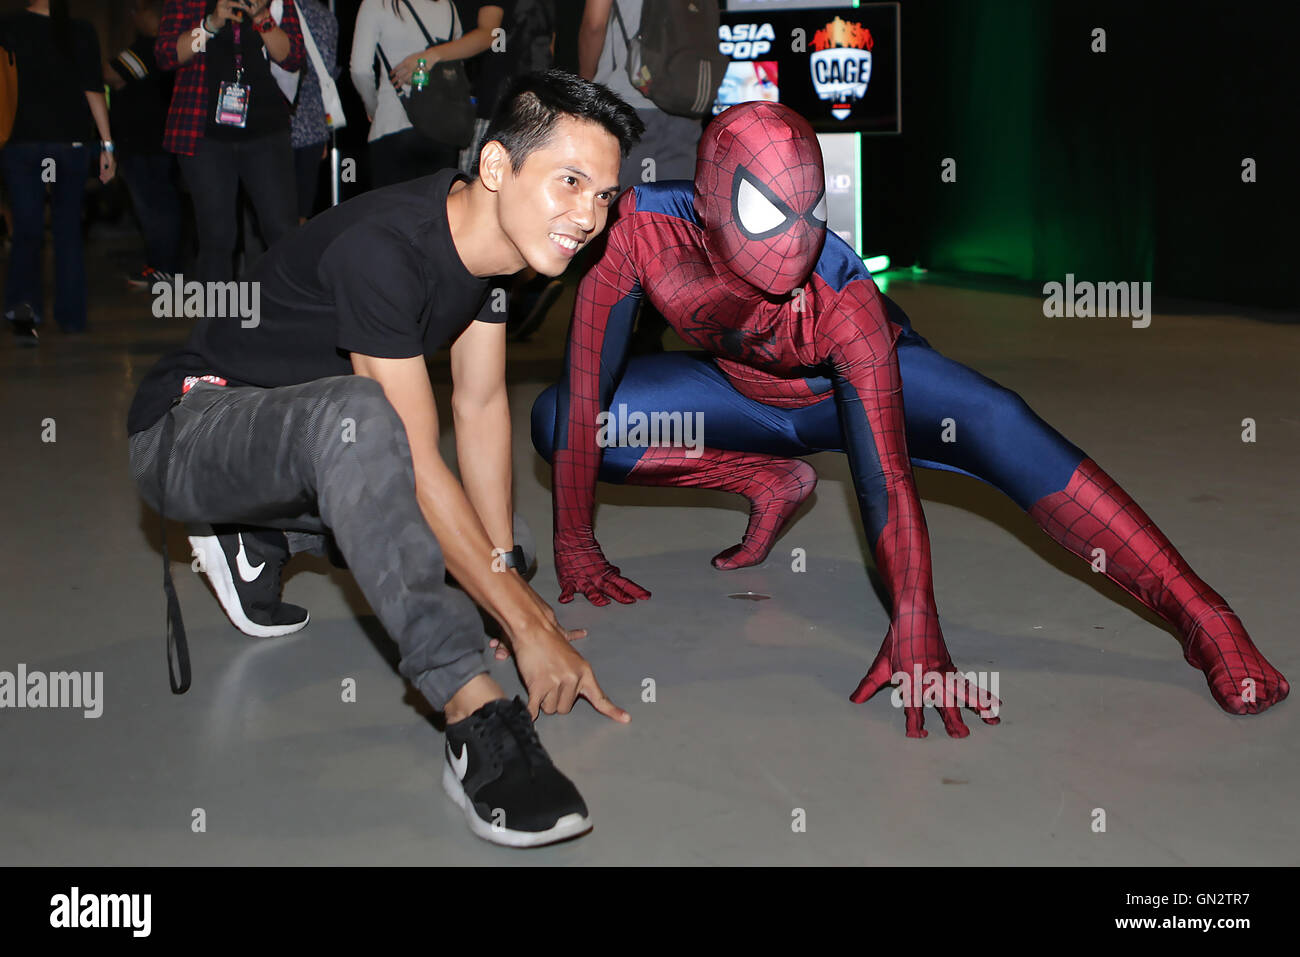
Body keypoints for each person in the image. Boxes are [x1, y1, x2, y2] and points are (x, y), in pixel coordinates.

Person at [530, 102, 1289, 738]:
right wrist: (572, 539)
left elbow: (883, 478)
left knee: (999, 421)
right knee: (561, 418)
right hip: (741, 399)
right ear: (704, 200)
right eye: (767, 210)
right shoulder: (634, 232)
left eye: (808, 209)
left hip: (862, 386)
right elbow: (590, 378)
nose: (795, 237)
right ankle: (769, 479)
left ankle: (1203, 612)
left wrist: (915, 620)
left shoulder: (842, 293)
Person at [125, 71, 644, 846]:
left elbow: (478, 405)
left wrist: (501, 576)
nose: (588, 217)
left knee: (501, 549)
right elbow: (402, 446)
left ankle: (257, 537)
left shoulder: (494, 252)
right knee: (364, 420)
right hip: (186, 428)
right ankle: (474, 717)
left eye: (604, 196)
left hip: (290, 439)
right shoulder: (386, 247)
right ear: (498, 167)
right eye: (570, 183)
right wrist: (523, 621)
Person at [155, 0, 305, 283]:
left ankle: (287, 319)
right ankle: (216, 324)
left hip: (266, 131)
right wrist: (209, 25)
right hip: (204, 134)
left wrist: (262, 17)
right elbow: (166, 55)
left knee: (281, 230)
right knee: (217, 236)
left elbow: (293, 57)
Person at [0, 0, 115, 343]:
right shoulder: (79, 30)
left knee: (30, 229)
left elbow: (93, 87)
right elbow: (93, 88)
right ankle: (71, 317)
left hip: (29, 148)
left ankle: (26, 313)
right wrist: (106, 145)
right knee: (65, 231)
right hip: (64, 149)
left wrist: (107, 146)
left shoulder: (10, 27)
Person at [350, 0, 491, 188]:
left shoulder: (377, 4)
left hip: (392, 123)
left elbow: (360, 70)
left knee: (392, 212)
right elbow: (455, 65)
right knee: (433, 211)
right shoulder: (447, 7)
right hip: (442, 128)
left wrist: (373, 107)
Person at [107, 0, 183, 289]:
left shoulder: (152, 48)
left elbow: (110, 73)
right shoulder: (165, 48)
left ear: (152, 14)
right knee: (160, 205)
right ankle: (163, 268)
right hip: (154, 142)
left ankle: (164, 270)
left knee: (155, 208)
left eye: (137, 10)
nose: (133, 17)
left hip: (146, 143)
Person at [285, 0, 339, 223]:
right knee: (300, 214)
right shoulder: (324, 16)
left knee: (268, 213)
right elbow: (327, 72)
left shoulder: (265, 10)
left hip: (269, 125)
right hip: (312, 123)